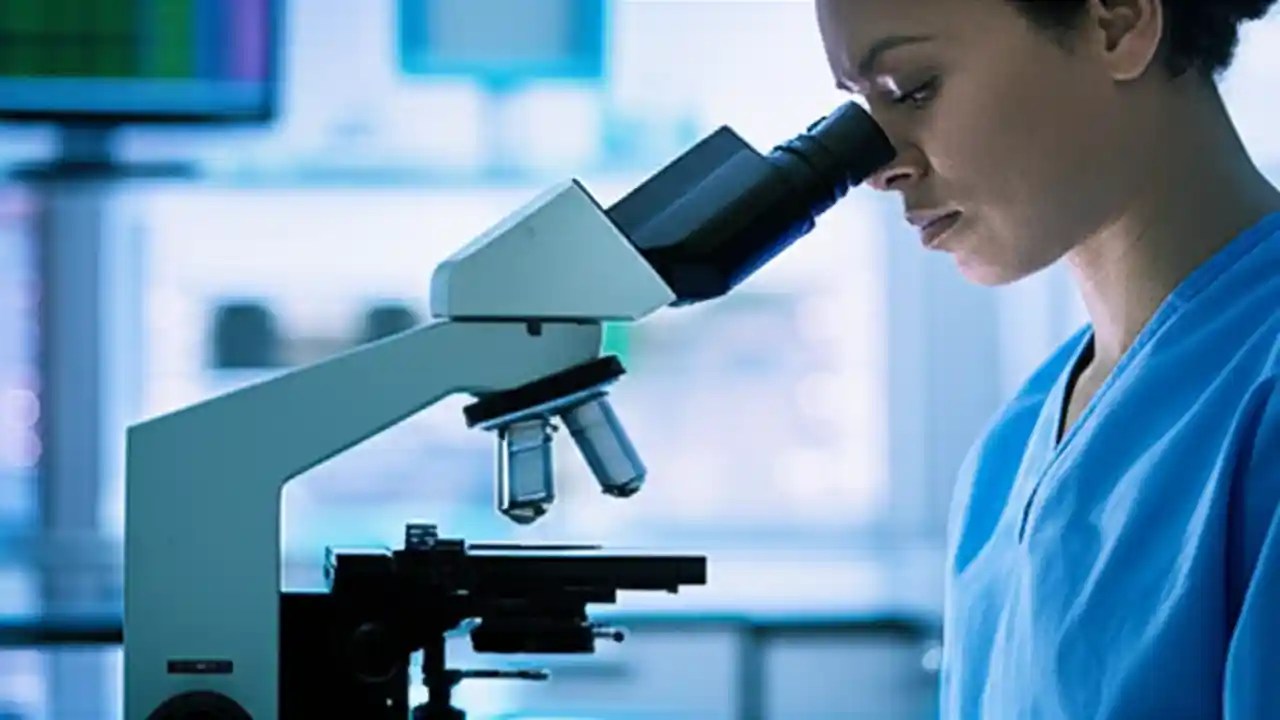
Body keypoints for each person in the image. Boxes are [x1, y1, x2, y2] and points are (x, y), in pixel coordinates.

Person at [814, 0, 1280, 717]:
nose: (879, 168)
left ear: (1118, 22)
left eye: (912, 89)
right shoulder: (1009, 451)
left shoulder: (1261, 402)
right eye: (860, 106)